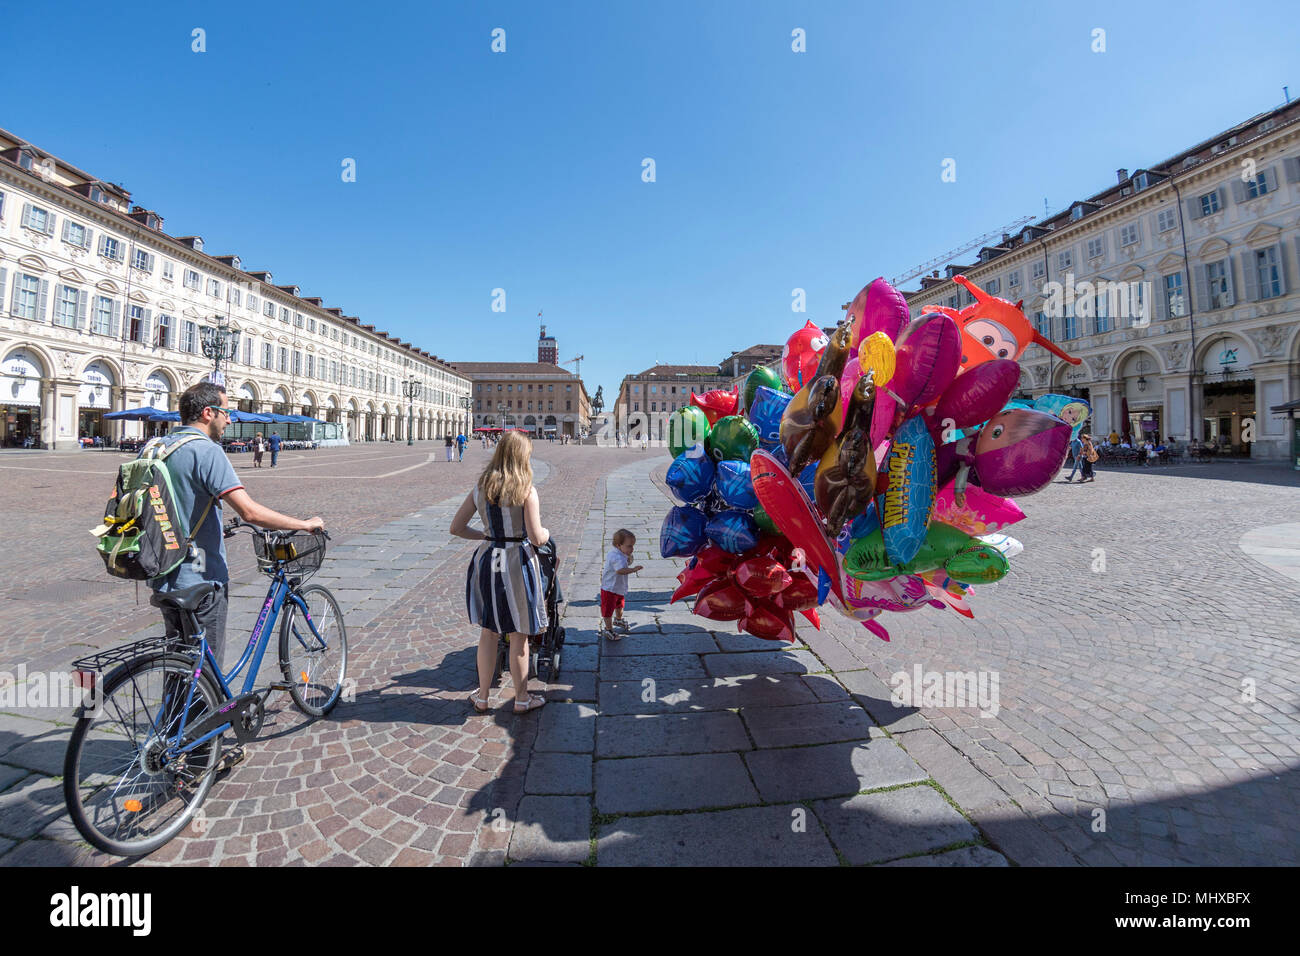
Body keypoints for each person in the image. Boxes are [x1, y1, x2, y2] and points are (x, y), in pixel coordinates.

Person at [150, 383, 324, 760]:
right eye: (228, 411)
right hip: (200, 576)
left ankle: (171, 734)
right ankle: (200, 758)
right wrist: (303, 523)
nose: (231, 419)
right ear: (208, 413)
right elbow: (250, 512)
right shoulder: (205, 450)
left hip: (162, 571)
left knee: (181, 664)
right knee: (205, 668)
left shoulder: (157, 446)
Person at [451, 430, 551, 714]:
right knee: (519, 634)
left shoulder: (480, 487)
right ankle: (521, 699)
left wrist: (486, 536)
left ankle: (482, 697)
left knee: (489, 631)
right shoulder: (526, 490)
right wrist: (546, 533)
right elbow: (535, 536)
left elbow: (456, 528)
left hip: (488, 560)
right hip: (516, 561)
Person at [599, 529, 643, 640]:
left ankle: (618, 619)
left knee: (620, 605)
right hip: (610, 588)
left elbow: (624, 562)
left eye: (633, 546)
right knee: (608, 610)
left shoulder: (621, 553)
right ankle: (608, 630)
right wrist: (633, 569)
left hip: (618, 587)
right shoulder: (616, 556)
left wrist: (628, 560)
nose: (632, 549)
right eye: (629, 546)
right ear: (619, 545)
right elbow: (620, 570)